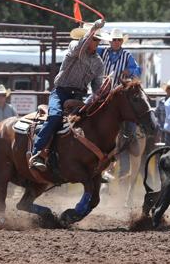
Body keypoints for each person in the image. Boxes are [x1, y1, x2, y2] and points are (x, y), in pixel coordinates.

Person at [29, 19, 107, 171]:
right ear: (87, 37)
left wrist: (99, 96)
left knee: (93, 123)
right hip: (61, 92)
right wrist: (93, 30)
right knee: (55, 116)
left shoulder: (98, 63)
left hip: (79, 97)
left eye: (97, 39)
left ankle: (95, 161)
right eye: (94, 39)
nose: (96, 42)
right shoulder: (74, 46)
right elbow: (79, 49)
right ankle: (37, 153)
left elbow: (96, 86)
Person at [97, 29, 142, 178]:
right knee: (86, 110)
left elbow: (138, 70)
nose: (115, 42)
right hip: (101, 92)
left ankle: (131, 137)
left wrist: (130, 71)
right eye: (113, 40)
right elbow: (87, 48)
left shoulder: (127, 55)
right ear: (109, 41)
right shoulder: (101, 51)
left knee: (129, 118)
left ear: (122, 41)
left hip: (119, 95)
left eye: (118, 40)